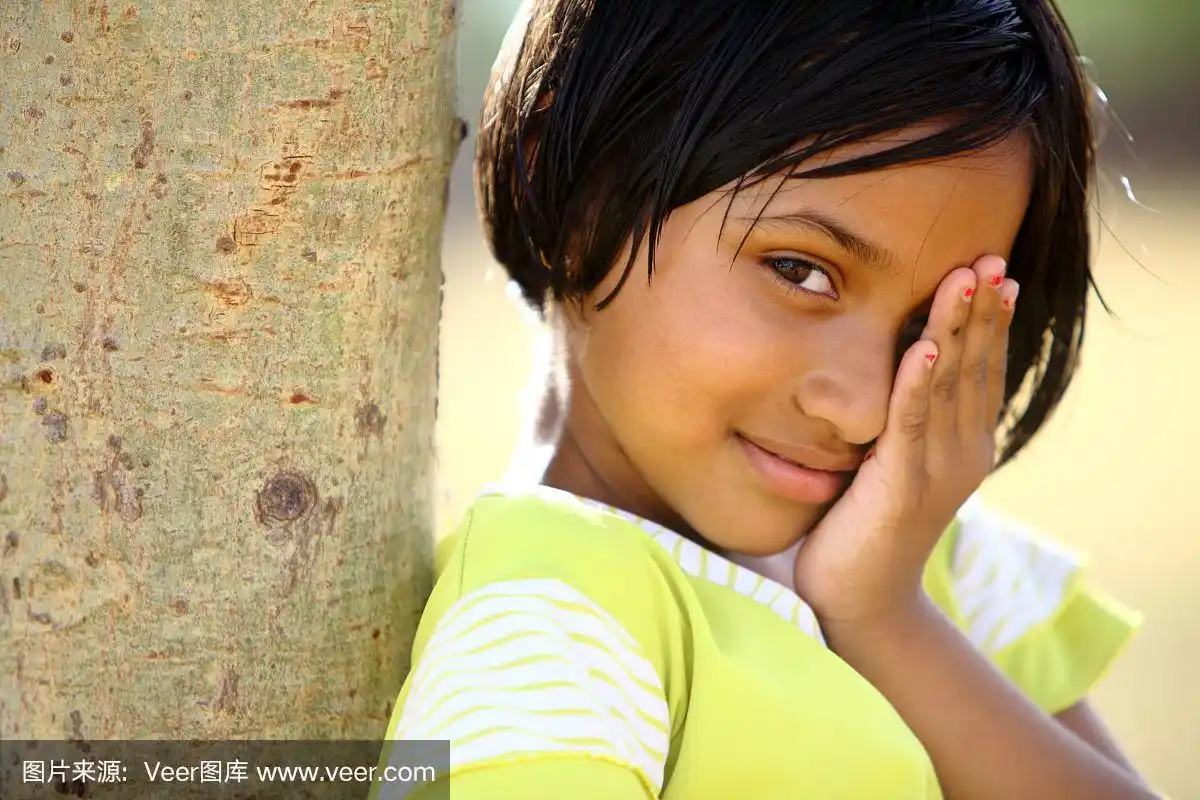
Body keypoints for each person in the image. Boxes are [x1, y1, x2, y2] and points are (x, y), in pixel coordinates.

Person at [382, 1, 1165, 797]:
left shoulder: (934, 556)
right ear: (566, 174)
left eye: (932, 325)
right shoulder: (544, 618)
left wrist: (885, 617)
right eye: (800, 271)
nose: (861, 410)